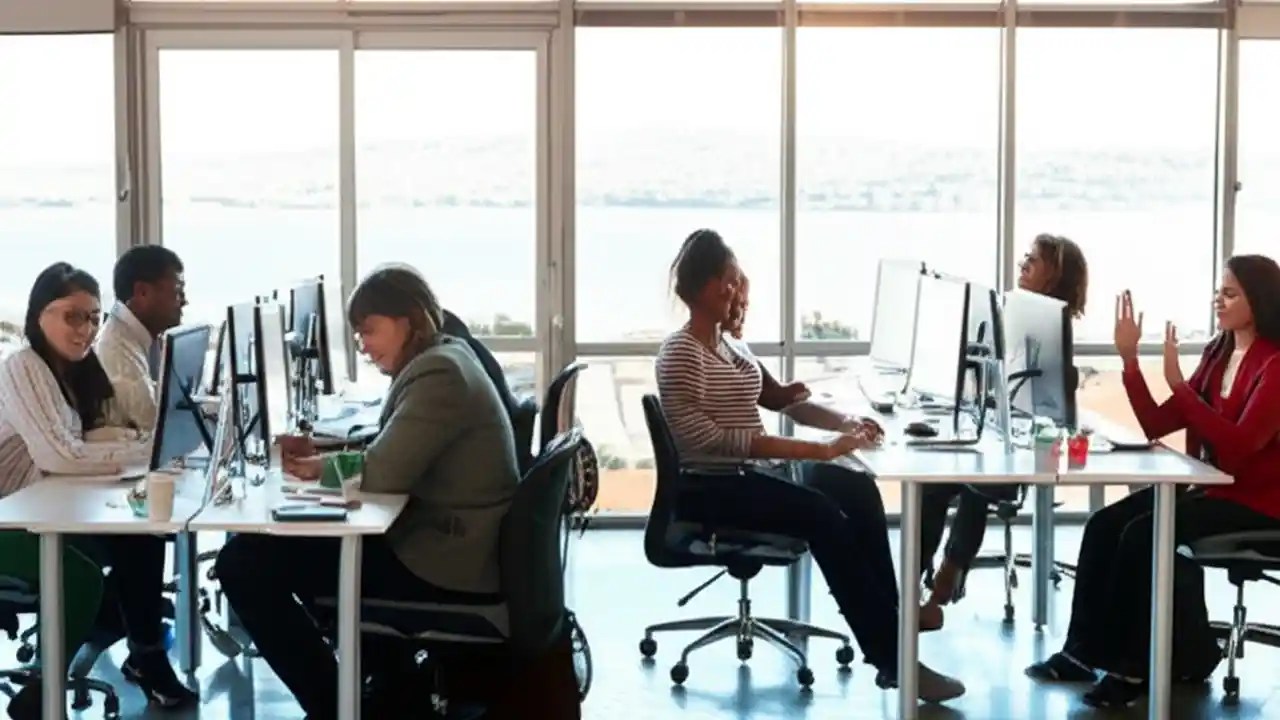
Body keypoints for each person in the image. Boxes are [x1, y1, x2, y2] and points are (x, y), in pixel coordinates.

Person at [656, 229, 965, 702]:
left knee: (858, 488)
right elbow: (716, 442)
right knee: (820, 514)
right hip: (713, 485)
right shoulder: (680, 354)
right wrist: (819, 450)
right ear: (698, 288)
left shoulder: (729, 346)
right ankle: (894, 659)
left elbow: (782, 399)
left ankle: (894, 620)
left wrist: (846, 422)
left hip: (755, 474)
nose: (734, 291)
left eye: (736, 281)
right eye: (724, 282)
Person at [215, 264, 521, 720]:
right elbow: (394, 444)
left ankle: (334, 706)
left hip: (444, 559)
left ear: (409, 319)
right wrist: (322, 448)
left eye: (369, 331)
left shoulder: (439, 374)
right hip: (449, 542)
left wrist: (317, 468)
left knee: (243, 563)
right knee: (268, 556)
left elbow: (384, 472)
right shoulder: (445, 355)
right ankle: (364, 688)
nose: (363, 345)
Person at [1025, 254, 1280, 708]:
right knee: (1104, 524)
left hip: (1257, 502)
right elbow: (1157, 423)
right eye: (1218, 291)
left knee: (1143, 536)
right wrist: (1129, 360)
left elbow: (1240, 446)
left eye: (1230, 293)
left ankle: (1133, 668)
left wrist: (1182, 387)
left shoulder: (1274, 365)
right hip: (1212, 486)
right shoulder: (1219, 352)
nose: (1218, 301)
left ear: (1258, 300)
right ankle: (1082, 654)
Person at [0, 263, 197, 718]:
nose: (86, 329)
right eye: (72, 316)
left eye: (92, 317)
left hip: (36, 510)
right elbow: (59, 457)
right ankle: (43, 690)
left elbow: (83, 439)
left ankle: (147, 658)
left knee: (141, 540)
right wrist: (149, 454)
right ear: (38, 314)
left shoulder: (70, 369)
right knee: (83, 577)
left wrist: (144, 444)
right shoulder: (24, 366)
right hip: (9, 522)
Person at [917, 234, 1088, 613]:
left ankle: (951, 569)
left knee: (982, 479)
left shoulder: (1052, 328)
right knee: (930, 482)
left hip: (1035, 445)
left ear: (1055, 276)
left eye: (1033, 259)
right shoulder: (1011, 316)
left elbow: (1054, 397)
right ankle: (912, 581)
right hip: (1003, 433)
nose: (1022, 264)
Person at [96, 245, 187, 432]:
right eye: (177, 291)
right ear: (142, 292)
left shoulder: (143, 337)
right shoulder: (116, 349)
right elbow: (152, 421)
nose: (184, 301)